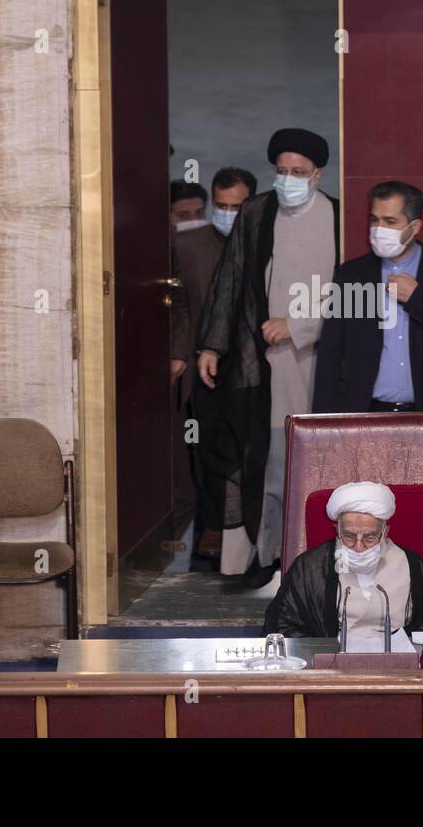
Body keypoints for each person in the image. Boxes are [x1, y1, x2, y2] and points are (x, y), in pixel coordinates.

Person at [195, 128, 339, 586]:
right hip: (260, 360)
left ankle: (306, 562)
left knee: (308, 462)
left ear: (318, 174)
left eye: (299, 172)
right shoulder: (257, 212)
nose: (289, 180)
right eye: (281, 171)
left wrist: (298, 327)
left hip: (318, 360)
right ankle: (254, 562)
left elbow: (351, 295)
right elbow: (230, 281)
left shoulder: (338, 215)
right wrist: (213, 345)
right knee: (261, 459)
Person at [312, 180, 423, 414]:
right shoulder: (352, 273)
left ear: (414, 227)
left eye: (390, 222)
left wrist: (417, 298)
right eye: (374, 220)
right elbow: (331, 349)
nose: (379, 230)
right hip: (365, 412)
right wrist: (324, 419)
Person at [171, 168, 255, 565]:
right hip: (207, 367)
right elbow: (183, 308)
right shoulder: (188, 245)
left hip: (259, 367)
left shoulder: (267, 243)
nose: (227, 214)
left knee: (254, 451)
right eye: (220, 206)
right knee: (207, 450)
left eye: (235, 207)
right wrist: (179, 354)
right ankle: (214, 529)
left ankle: (253, 535)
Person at [262, 482, 423, 648]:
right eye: (349, 536)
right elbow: (282, 625)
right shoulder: (311, 566)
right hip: (333, 667)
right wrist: (322, 652)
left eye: (370, 537)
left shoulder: (412, 565)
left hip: (398, 667)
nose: (359, 546)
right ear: (337, 530)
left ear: (385, 532)